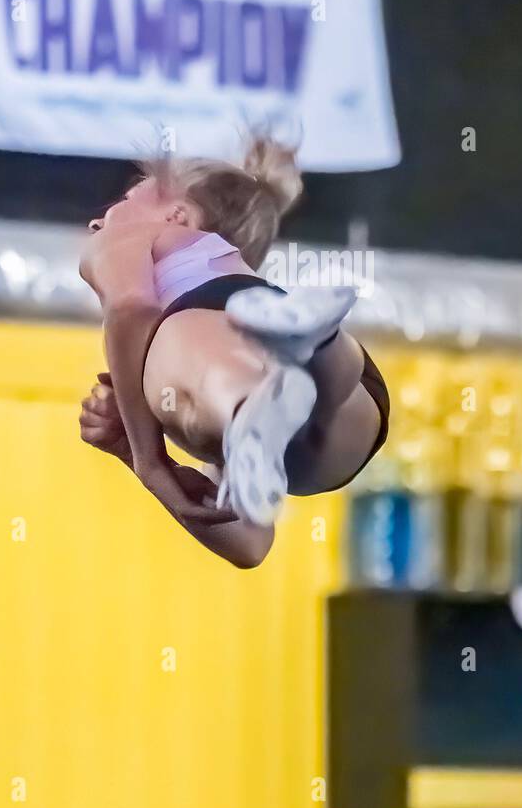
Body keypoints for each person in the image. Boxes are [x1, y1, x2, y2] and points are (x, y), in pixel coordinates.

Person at [77, 138, 390, 568]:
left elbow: (131, 306)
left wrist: (147, 459)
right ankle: (322, 348)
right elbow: (249, 544)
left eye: (122, 202)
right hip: (353, 416)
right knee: (282, 398)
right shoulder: (224, 274)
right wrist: (130, 446)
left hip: (219, 327)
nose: (97, 224)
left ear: (177, 216)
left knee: (188, 374)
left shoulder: (133, 240)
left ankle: (271, 382)